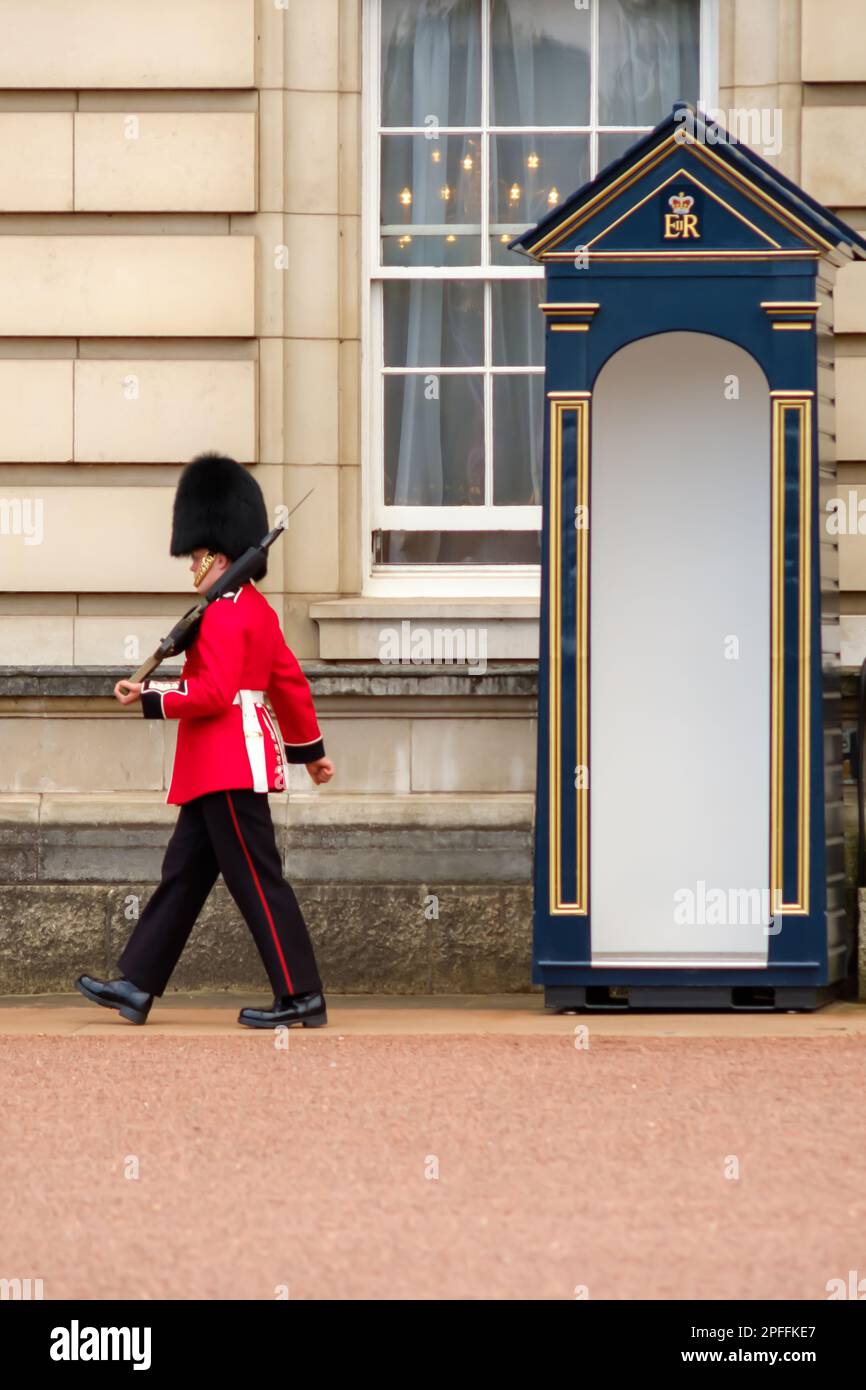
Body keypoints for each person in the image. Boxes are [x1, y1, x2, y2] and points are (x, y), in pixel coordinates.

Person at [75, 452, 333, 1029]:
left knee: (257, 879)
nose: (191, 564)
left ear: (216, 555)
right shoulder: (254, 610)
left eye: (195, 556)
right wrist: (309, 751)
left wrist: (149, 697)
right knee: (185, 874)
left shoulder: (221, 615)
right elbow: (289, 683)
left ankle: (302, 994)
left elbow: (214, 694)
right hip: (223, 764)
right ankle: (137, 984)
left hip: (227, 762)